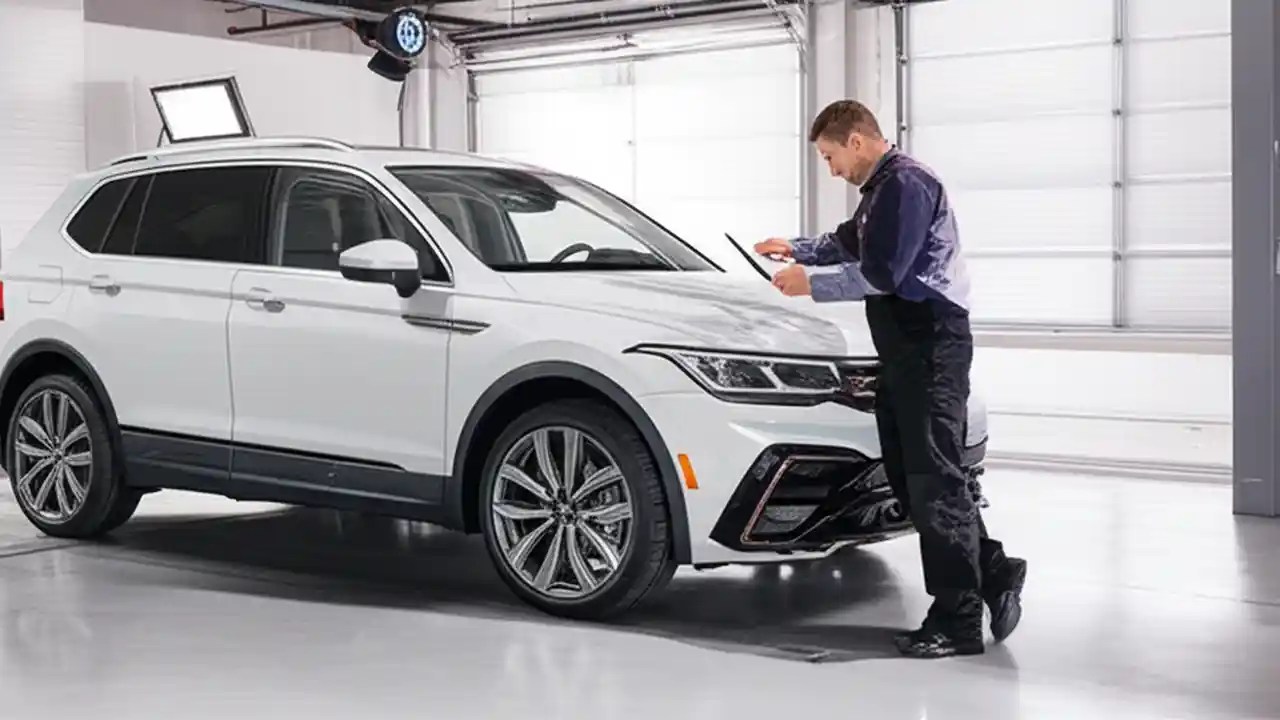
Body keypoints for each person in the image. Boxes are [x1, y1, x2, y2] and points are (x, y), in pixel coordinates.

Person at [755, 100, 1027, 659]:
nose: (830, 169)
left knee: (935, 481)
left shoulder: (906, 184)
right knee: (911, 479)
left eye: (830, 156)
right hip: (905, 351)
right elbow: (852, 243)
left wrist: (811, 283)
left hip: (930, 346)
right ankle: (994, 571)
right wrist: (795, 247)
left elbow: (883, 273)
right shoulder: (882, 191)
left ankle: (956, 619)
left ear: (857, 141)